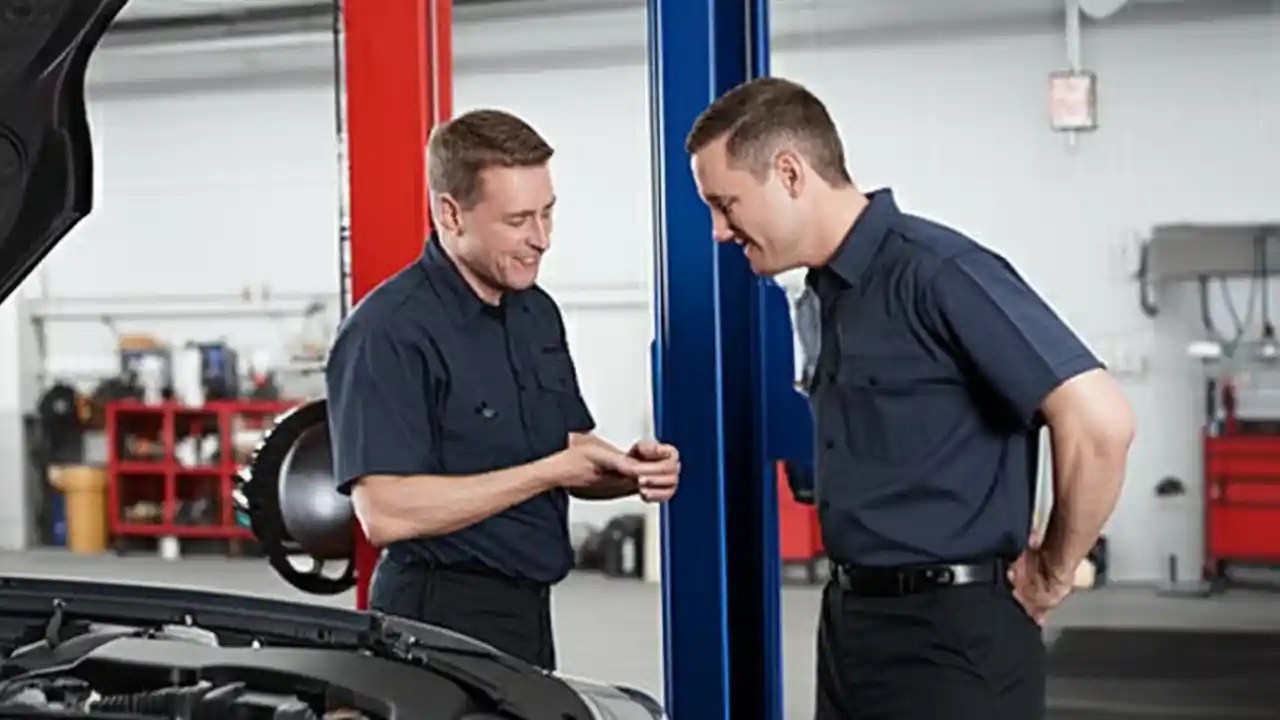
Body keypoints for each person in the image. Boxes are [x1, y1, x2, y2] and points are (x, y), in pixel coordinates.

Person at [684, 77, 1135, 719]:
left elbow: (1099, 422)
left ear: (789, 173)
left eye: (727, 205)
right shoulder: (821, 298)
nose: (719, 232)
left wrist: (1053, 571)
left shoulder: (938, 272)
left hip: (953, 639)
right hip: (852, 628)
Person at [325, 108, 680, 670]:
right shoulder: (387, 332)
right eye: (518, 220)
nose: (540, 239)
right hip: (432, 621)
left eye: (548, 213)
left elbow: (566, 448)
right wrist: (551, 471)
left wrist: (629, 471)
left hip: (527, 615)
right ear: (450, 214)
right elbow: (385, 513)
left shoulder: (536, 313)